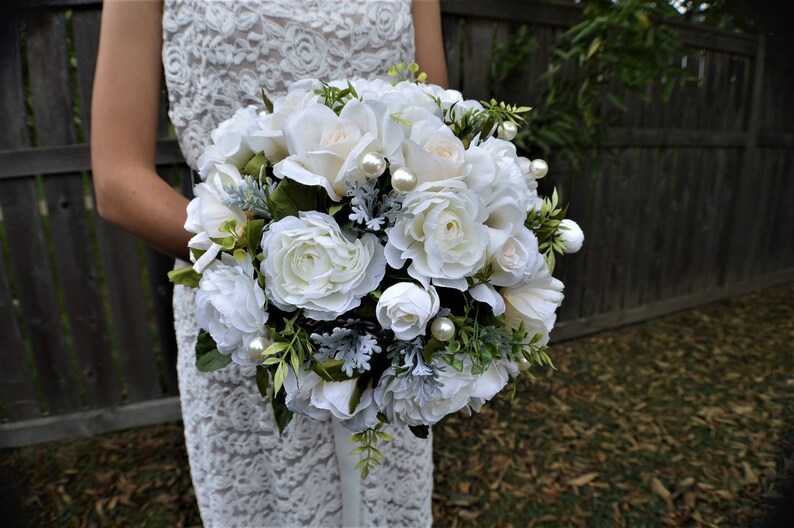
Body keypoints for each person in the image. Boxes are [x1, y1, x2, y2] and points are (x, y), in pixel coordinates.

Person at [91, 0, 448, 526]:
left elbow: (437, 132)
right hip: (244, 314)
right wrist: (282, 268)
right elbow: (118, 180)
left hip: (390, 313)